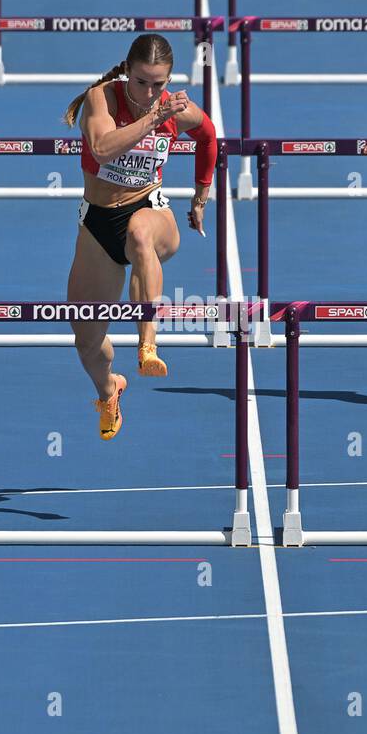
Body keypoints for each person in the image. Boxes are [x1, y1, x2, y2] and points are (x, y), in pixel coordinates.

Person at [62, 33, 217, 439]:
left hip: (149, 210)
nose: (150, 92)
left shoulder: (175, 110)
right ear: (127, 72)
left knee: (140, 234)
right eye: (143, 82)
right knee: (87, 341)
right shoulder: (102, 98)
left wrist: (201, 195)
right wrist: (154, 117)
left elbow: (209, 136)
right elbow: (101, 148)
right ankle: (109, 389)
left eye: (159, 84)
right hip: (97, 223)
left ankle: (148, 344)